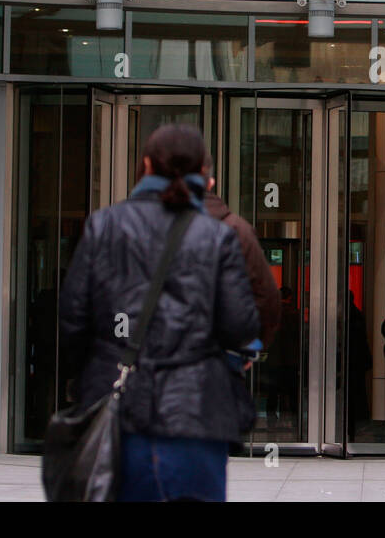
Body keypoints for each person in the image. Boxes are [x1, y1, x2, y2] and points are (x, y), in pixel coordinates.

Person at [59, 125, 258, 502]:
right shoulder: (216, 237)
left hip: (118, 416)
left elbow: (72, 320)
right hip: (195, 417)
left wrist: (91, 376)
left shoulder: (103, 226)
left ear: (146, 165)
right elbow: (241, 325)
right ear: (204, 174)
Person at [204, 175, 281, 348]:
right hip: (216, 357)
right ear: (210, 182)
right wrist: (251, 345)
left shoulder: (141, 226)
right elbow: (266, 297)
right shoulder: (236, 230)